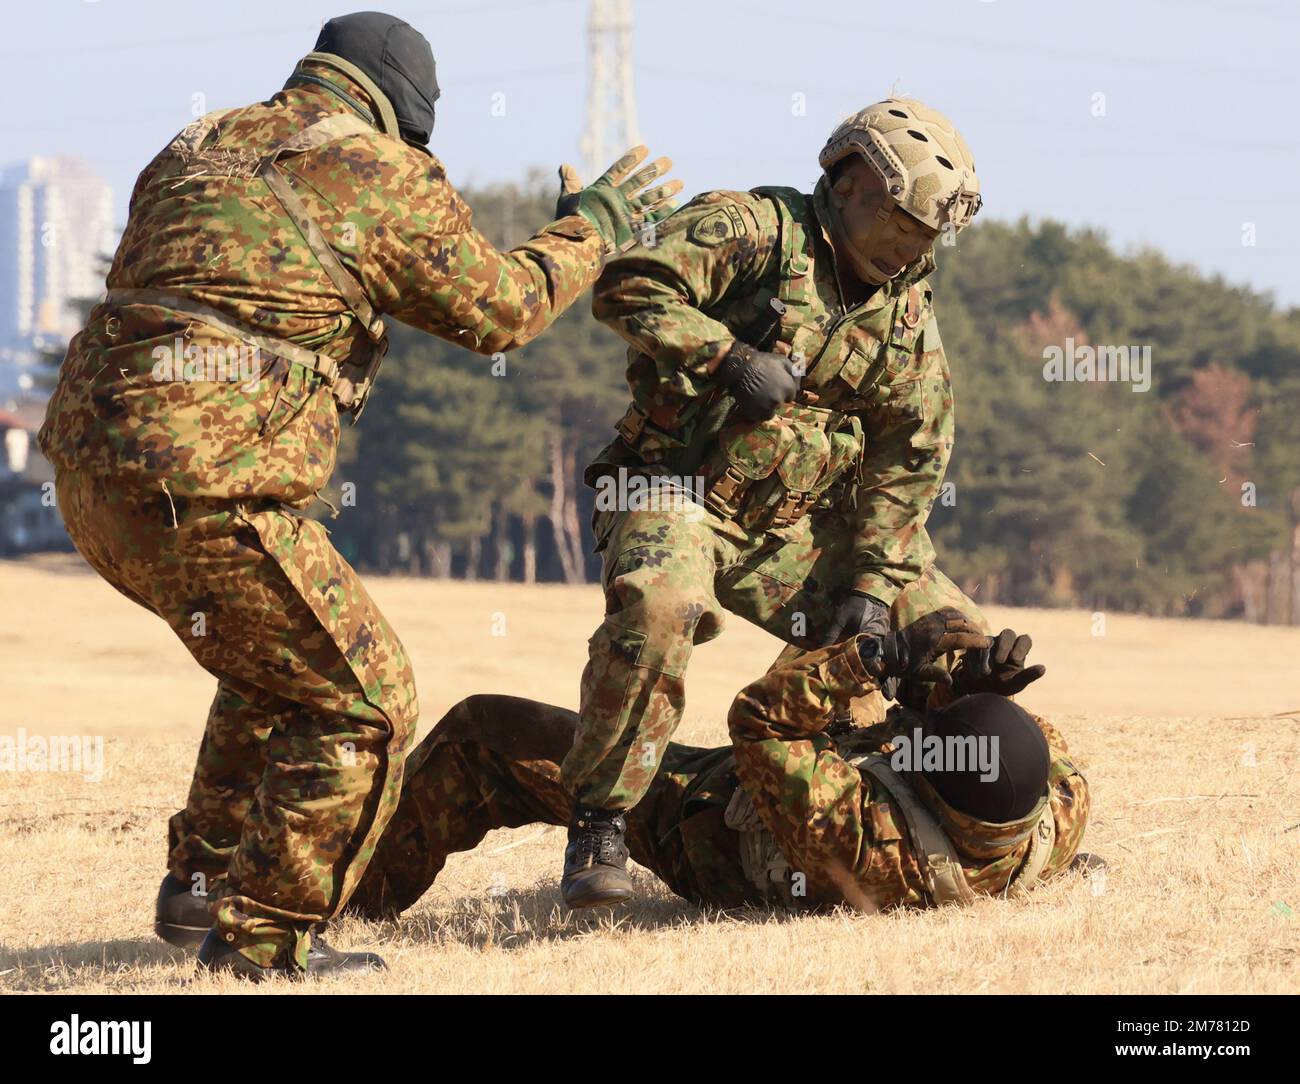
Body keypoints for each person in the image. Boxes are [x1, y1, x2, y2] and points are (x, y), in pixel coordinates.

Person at [37, 11, 678, 980]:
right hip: (207, 480)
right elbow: (498, 310)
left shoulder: (200, 141)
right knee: (365, 703)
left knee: (275, 669)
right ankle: (262, 939)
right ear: (405, 114)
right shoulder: (377, 169)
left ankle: (201, 880)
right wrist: (593, 231)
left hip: (89, 476)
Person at [562, 98, 984, 907]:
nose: (914, 248)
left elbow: (912, 456)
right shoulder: (751, 229)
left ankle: (993, 830)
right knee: (662, 605)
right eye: (903, 224)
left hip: (792, 525)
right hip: (670, 490)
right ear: (851, 180)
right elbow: (627, 287)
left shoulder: (906, 309)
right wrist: (727, 360)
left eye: (930, 237)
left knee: (952, 639)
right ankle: (599, 826)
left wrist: (869, 590)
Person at [348, 612, 1094, 921]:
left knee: (482, 733)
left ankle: (351, 892)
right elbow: (1037, 744)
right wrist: (966, 684)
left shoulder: (862, 836)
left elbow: (758, 721)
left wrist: (876, 658)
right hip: (839, 768)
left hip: (705, 821)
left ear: (921, 783)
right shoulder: (1055, 809)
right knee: (886, 588)